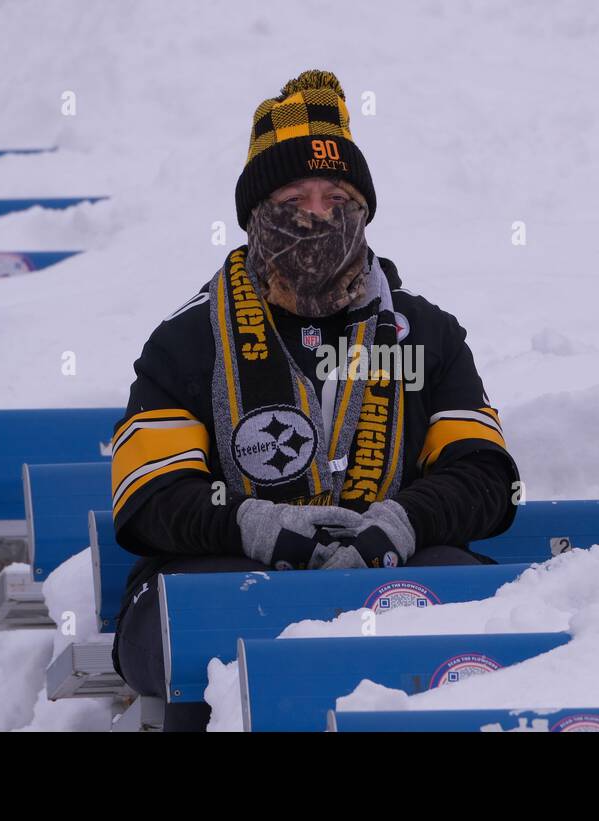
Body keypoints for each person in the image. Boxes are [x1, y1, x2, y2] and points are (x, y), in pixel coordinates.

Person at [110, 69, 519, 730]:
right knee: (215, 632)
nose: (316, 213)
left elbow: (486, 478)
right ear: (254, 214)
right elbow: (149, 499)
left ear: (363, 209)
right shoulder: (187, 342)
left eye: (336, 195)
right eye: (294, 195)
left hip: (384, 578)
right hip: (227, 582)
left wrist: (402, 521)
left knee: (453, 595)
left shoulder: (430, 335)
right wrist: (255, 526)